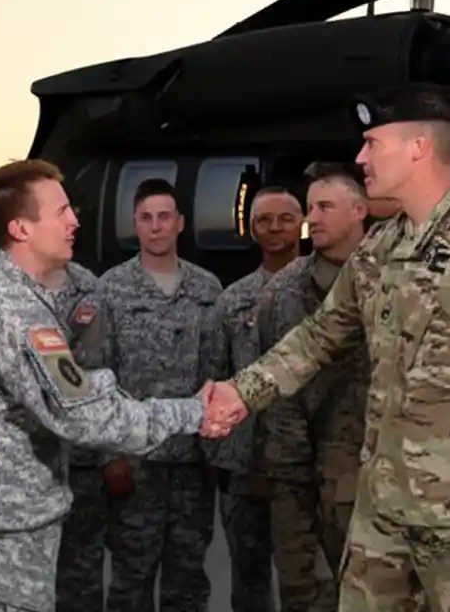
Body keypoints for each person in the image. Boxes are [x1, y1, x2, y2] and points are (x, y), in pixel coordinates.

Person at [202, 83, 450, 612]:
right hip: (383, 513)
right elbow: (320, 335)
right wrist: (241, 392)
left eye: (373, 143)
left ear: (418, 148)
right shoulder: (382, 246)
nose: (360, 156)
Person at [0, 160, 208, 612]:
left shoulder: (22, 298)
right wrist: (197, 412)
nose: (75, 221)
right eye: (61, 212)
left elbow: (75, 389)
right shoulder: (9, 310)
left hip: (1, 527)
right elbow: (81, 413)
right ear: (20, 228)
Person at [100, 178, 225, 612]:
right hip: (137, 462)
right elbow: (99, 377)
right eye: (146, 218)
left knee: (188, 576)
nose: (156, 227)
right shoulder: (111, 290)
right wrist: (109, 455)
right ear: (135, 224)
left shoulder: (208, 290)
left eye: (164, 217)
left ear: (180, 224)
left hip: (193, 463)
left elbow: (219, 373)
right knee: (132, 576)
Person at [257, 161, 372, 612]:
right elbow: (274, 389)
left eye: (326, 206)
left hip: (375, 472)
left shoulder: (392, 278)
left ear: (359, 210)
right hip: (301, 476)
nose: (313, 217)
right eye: (310, 207)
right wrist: (289, 477)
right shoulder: (285, 291)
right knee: (305, 594)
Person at [206, 185, 304, 612]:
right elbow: (215, 376)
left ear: (302, 223)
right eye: (264, 220)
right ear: (251, 228)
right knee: (249, 579)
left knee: (307, 577)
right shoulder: (232, 300)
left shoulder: (329, 292)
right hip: (244, 467)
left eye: (285, 218)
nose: (275, 228)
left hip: (307, 463)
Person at [54, 212, 118, 612]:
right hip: (21, 469)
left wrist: (111, 452)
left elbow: (106, 369)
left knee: (83, 573)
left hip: (82, 460)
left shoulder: (88, 288)